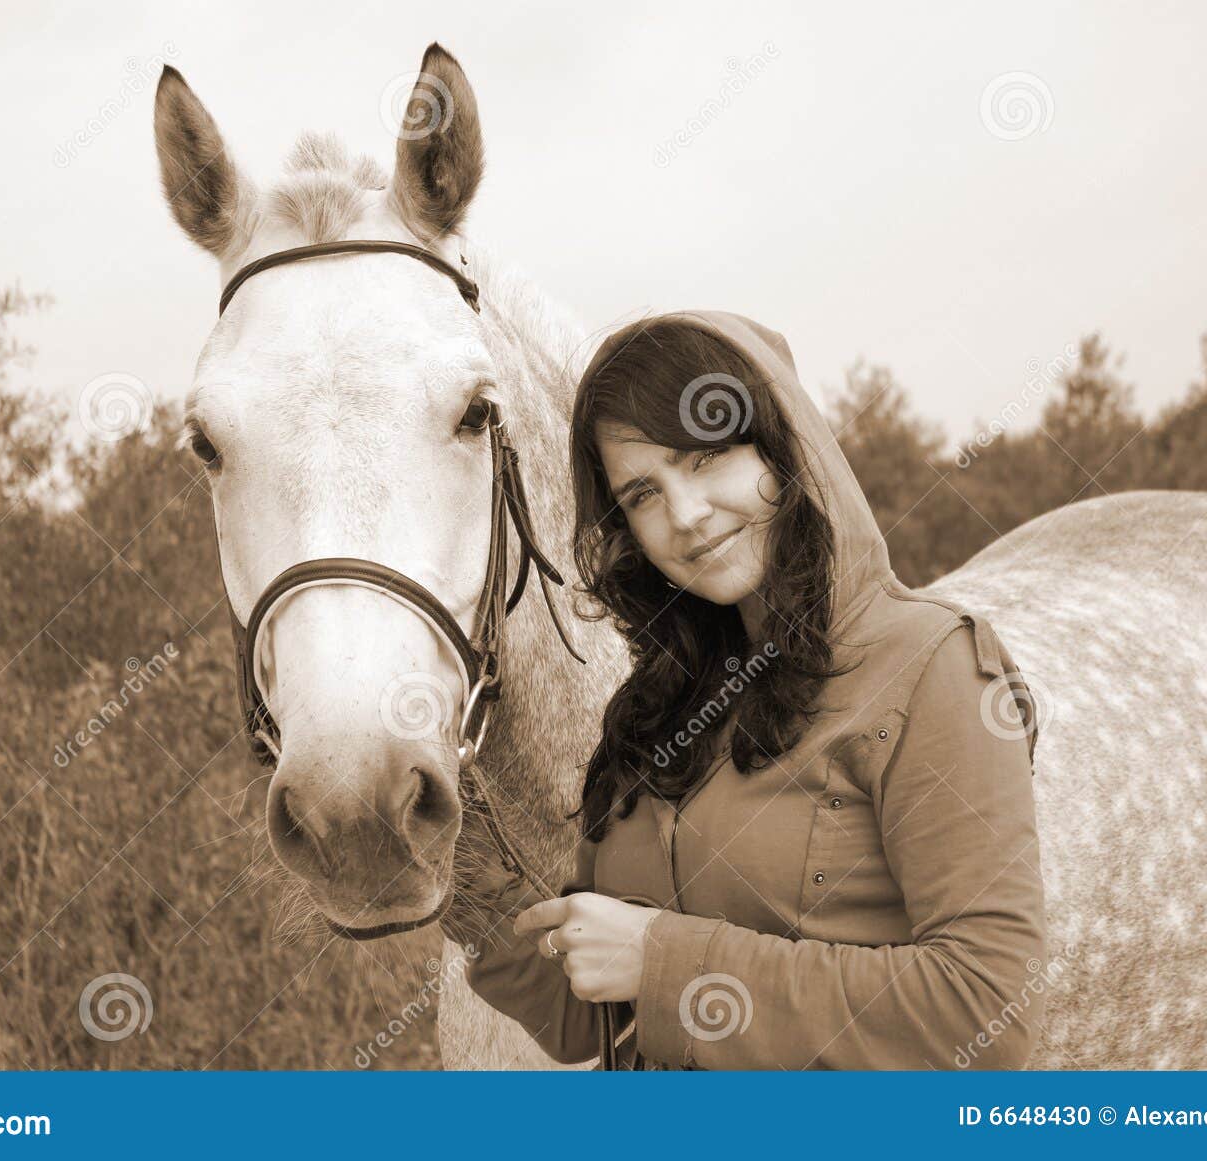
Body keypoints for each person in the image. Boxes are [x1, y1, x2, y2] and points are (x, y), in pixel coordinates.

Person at [444, 310, 1046, 1070]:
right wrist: (460, 879)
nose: (685, 516)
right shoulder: (656, 707)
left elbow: (986, 1011)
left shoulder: (931, 667)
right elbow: (596, 1019)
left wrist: (663, 961)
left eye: (706, 458)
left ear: (785, 446)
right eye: (642, 494)